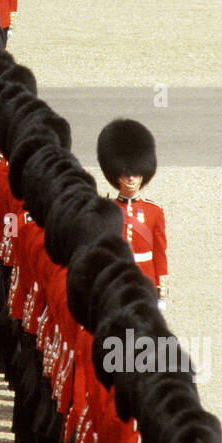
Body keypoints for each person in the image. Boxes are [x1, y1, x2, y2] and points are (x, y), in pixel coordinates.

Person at [97, 119, 168, 309]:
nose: (130, 177)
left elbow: (160, 252)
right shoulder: (109, 209)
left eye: (135, 173)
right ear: (116, 175)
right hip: (117, 280)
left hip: (145, 280)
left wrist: (161, 290)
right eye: (126, 172)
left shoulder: (154, 211)